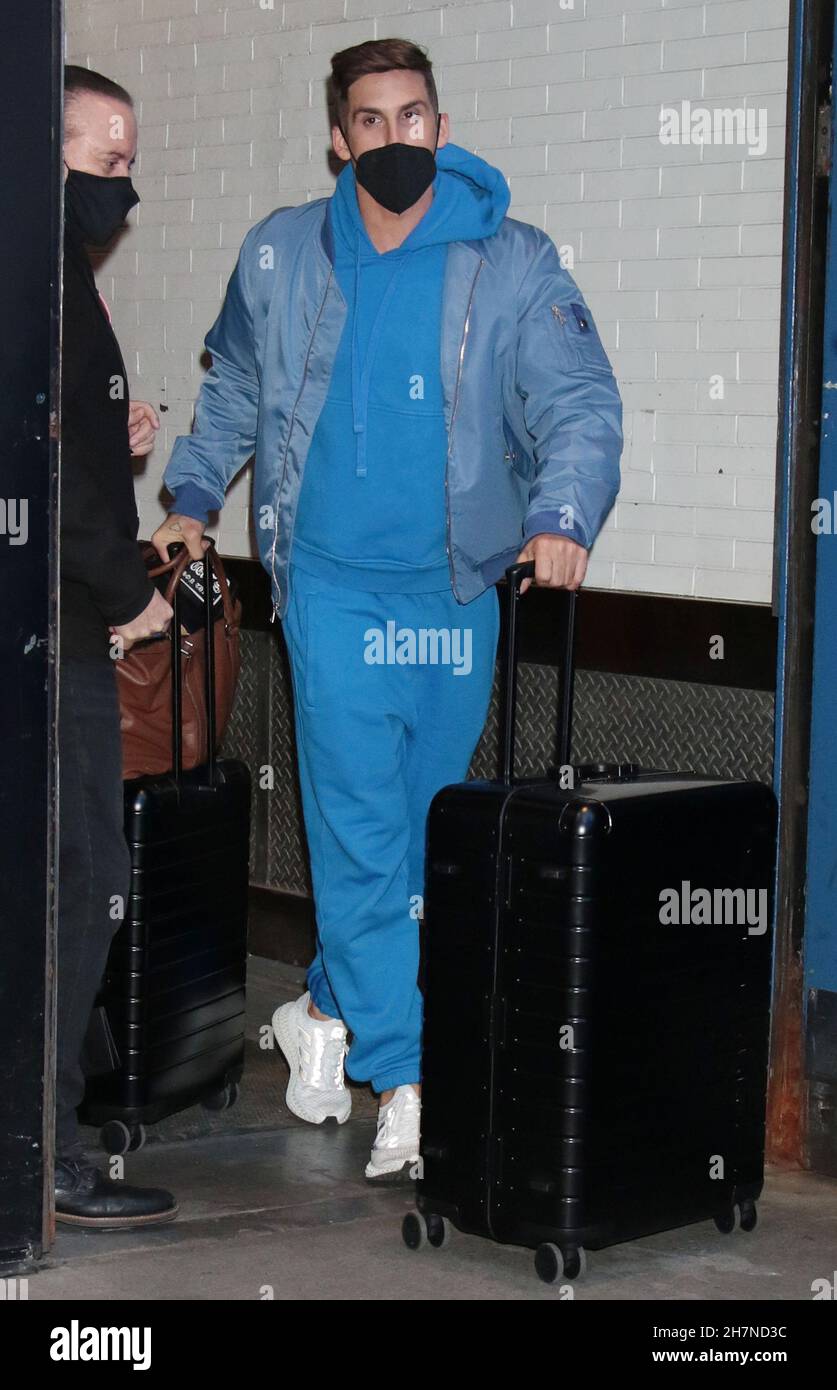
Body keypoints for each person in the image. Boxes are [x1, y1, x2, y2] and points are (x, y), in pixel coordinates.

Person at [156, 38, 622, 1183]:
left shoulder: (510, 262)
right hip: (329, 586)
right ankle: (412, 1079)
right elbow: (234, 390)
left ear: (439, 123)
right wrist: (190, 497)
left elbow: (580, 399)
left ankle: (324, 1011)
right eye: (371, 122)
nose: (395, 140)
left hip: (457, 589)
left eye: (413, 118)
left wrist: (563, 509)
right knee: (360, 828)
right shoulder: (282, 252)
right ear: (339, 136)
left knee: (421, 838)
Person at [57, 65, 178, 1227]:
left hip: (51, 612)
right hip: (60, 626)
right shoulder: (42, 278)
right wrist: (123, 595)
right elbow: (48, 485)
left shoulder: (53, 279)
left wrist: (116, 432)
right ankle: (41, 1149)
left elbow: (58, 441)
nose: (123, 184)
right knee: (80, 879)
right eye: (108, 158)